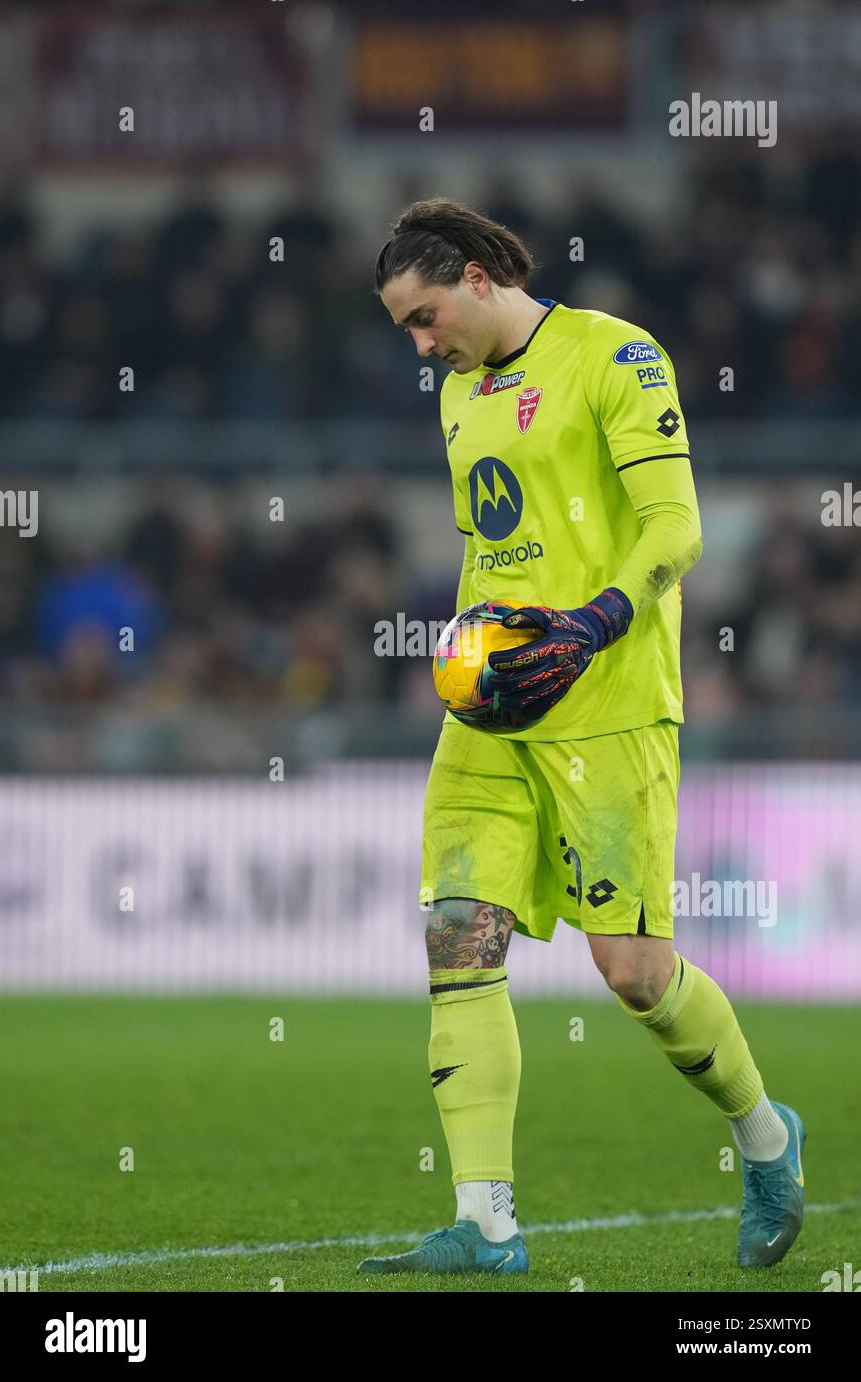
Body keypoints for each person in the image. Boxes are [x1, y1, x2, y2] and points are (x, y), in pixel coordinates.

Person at [358, 197, 805, 1276]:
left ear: (472, 276)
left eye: (424, 317)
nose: (422, 347)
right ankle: (487, 1224)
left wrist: (594, 621)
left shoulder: (615, 354)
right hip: (494, 715)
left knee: (636, 975)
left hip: (610, 704)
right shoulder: (460, 396)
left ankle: (763, 1136)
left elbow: (676, 527)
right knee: (458, 934)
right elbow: (492, 550)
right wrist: (469, 659)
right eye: (405, 333)